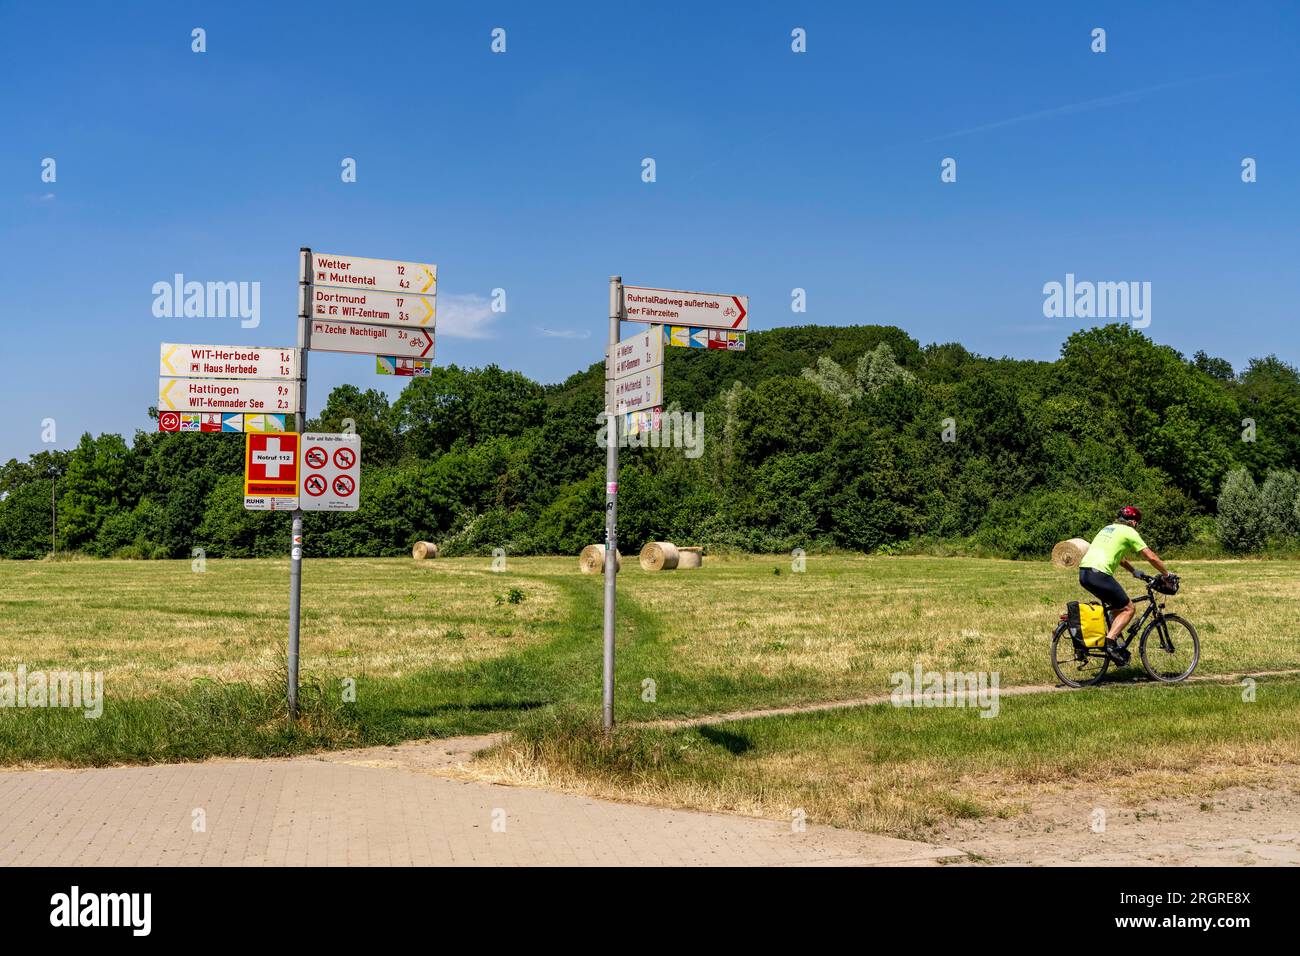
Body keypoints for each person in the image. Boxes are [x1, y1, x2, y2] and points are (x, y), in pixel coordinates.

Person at [1078, 506, 1171, 663]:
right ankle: (1110, 642)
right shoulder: (1129, 532)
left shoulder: (1107, 528)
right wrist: (1167, 575)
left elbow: (1119, 558)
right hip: (1100, 574)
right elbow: (1151, 556)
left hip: (1084, 573)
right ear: (1134, 522)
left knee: (1116, 608)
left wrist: (1133, 571)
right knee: (1129, 608)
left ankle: (1116, 648)